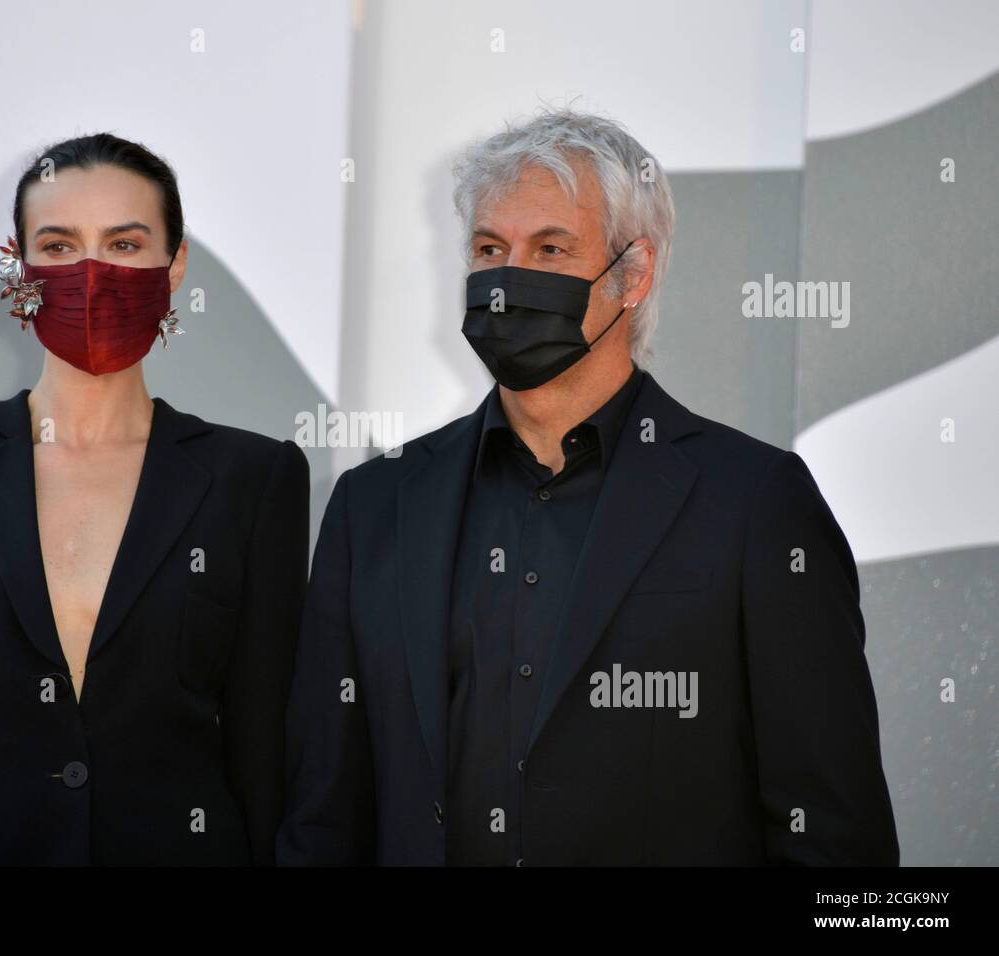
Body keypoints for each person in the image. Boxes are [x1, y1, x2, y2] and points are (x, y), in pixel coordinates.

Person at [277, 109, 898, 866]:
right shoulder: (373, 506)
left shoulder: (757, 503)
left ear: (633, 274)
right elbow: (322, 816)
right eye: (489, 249)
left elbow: (834, 835)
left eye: (550, 248)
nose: (507, 280)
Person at [0, 133, 309, 865]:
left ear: (174, 265)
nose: (91, 273)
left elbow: (265, 751)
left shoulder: (255, 478)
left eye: (123, 244)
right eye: (58, 245)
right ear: (18, 265)